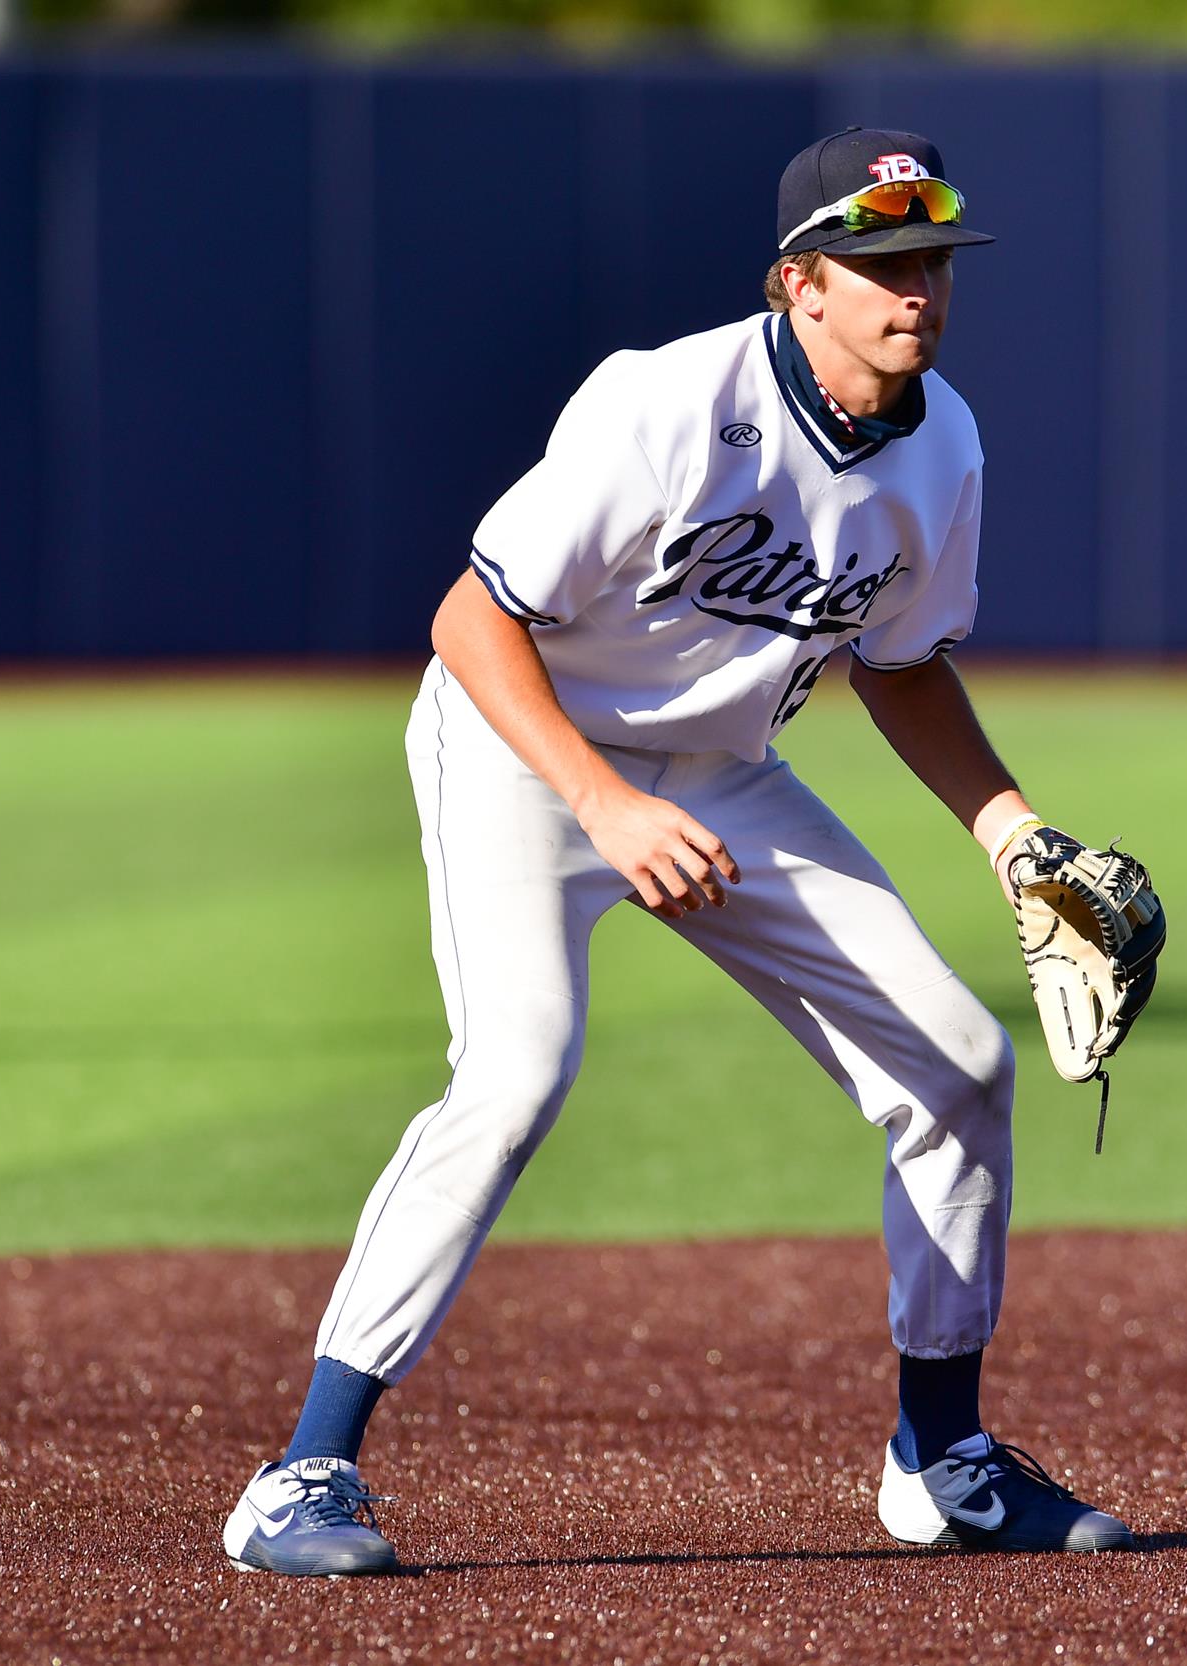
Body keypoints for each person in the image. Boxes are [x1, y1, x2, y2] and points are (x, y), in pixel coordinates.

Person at [221, 126, 1130, 1576]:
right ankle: (302, 1470)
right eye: (880, 259)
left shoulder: (942, 442)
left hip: (721, 774)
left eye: (933, 258)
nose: (917, 287)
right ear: (799, 283)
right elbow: (473, 619)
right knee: (518, 1070)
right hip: (524, 746)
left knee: (958, 1060)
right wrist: (600, 802)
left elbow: (898, 664)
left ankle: (940, 1455)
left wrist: (1011, 830)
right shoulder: (665, 405)